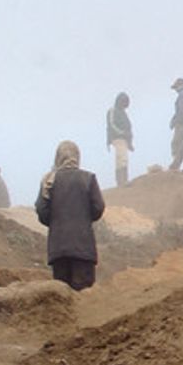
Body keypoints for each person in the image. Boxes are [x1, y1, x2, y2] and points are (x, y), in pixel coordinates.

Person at [35, 141, 105, 291]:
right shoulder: (88, 178)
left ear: (57, 157)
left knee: (62, 298)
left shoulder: (49, 180)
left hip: (58, 249)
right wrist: (84, 219)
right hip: (83, 248)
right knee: (83, 298)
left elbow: (41, 210)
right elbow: (98, 208)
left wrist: (55, 222)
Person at [106, 91, 134, 188]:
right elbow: (112, 124)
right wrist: (122, 133)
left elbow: (129, 127)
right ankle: (122, 181)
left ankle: (123, 180)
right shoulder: (112, 111)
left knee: (123, 158)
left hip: (124, 139)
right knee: (122, 158)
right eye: (125, 102)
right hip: (117, 138)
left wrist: (130, 141)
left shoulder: (123, 112)